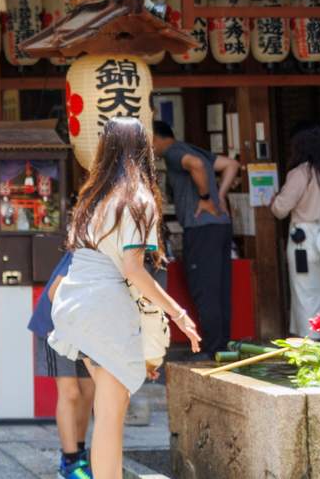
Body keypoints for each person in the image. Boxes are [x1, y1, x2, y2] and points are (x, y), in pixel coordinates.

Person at [50, 118, 201, 479]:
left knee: (107, 412)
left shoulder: (93, 196)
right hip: (103, 306)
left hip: (74, 303)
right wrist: (178, 313)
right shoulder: (137, 199)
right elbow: (133, 269)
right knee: (111, 417)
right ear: (143, 151)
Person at [151, 121, 239, 356]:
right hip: (220, 227)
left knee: (205, 288)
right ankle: (221, 346)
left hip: (202, 229)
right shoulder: (193, 148)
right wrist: (219, 197)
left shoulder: (173, 152)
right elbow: (232, 164)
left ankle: (212, 348)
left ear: (157, 138)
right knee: (220, 289)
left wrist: (207, 197)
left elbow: (196, 165)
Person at [28, 251, 94, 479]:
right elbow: (56, 292)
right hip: (56, 326)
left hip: (85, 329)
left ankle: (79, 453)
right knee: (71, 393)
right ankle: (69, 462)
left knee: (89, 391)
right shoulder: (86, 250)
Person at [272, 122, 320, 335]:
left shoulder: (300, 174)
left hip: (304, 239)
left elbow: (280, 209)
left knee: (306, 293)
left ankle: (312, 340)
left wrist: (273, 200)